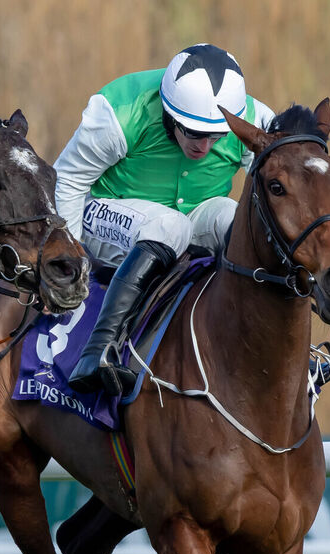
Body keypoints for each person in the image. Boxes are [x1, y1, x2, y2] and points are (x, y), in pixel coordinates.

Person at [55, 43, 275, 396]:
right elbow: (67, 180)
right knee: (170, 227)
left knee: (235, 218)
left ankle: (268, 338)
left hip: (191, 216)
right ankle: (99, 349)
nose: (204, 147)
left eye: (216, 136)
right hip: (105, 210)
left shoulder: (255, 120)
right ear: (171, 115)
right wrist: (69, 262)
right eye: (192, 132)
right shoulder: (121, 111)